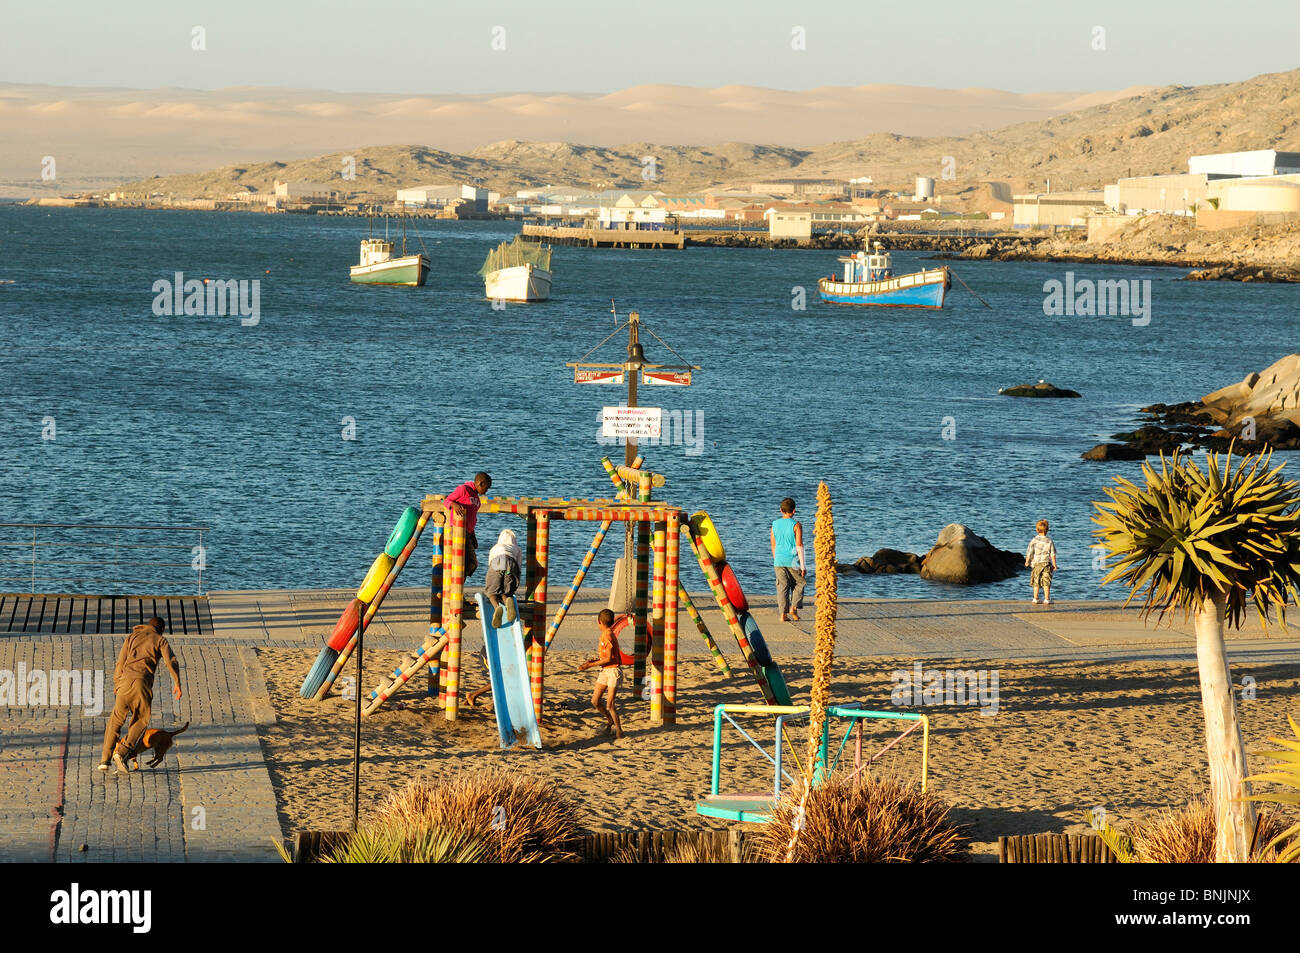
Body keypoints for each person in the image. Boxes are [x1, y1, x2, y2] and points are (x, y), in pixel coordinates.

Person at [99, 616, 182, 774]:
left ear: (147, 626)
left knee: (115, 721)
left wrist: (117, 683)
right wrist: (177, 682)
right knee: (141, 719)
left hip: (124, 683)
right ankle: (121, 752)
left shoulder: (132, 637)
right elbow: (170, 661)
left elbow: (120, 662)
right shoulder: (160, 640)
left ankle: (104, 760)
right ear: (162, 629)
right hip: (141, 684)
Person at [578, 609, 623, 739]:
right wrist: (595, 661)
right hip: (605, 670)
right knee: (595, 701)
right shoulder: (607, 632)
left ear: (599, 622)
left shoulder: (607, 636)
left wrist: (589, 665)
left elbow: (609, 658)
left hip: (613, 671)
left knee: (610, 704)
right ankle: (610, 720)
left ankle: (619, 731)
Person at [444, 471, 492, 580]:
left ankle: (457, 584)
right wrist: (454, 504)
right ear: (480, 483)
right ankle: (454, 586)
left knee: (471, 564)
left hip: (468, 533)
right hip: (457, 530)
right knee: (463, 562)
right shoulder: (463, 489)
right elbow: (447, 500)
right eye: (486, 488)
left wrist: (473, 535)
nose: (486, 491)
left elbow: (472, 519)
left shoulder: (477, 500)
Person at [771, 497, 806, 622]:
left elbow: (773, 545)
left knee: (782, 587)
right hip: (792, 560)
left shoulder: (774, 525)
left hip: (779, 560)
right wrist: (803, 566)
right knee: (800, 583)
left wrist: (776, 559)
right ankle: (794, 607)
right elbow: (799, 546)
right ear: (794, 511)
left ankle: (782, 615)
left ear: (781, 510)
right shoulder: (796, 525)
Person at [484, 527, 522, 627]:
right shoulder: (517, 549)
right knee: (507, 591)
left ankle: (497, 607)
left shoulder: (495, 547)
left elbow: (490, 564)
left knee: (492, 591)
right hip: (511, 563)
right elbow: (519, 566)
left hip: (496, 562)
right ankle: (507, 600)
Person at [1025, 519, 1058, 605]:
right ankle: (1047, 599)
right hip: (1046, 564)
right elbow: (1052, 554)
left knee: (1036, 581)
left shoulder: (1034, 540)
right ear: (1047, 530)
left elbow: (1029, 552)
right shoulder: (1049, 541)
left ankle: (1035, 598)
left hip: (1036, 564)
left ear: (1037, 530)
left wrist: (1027, 561)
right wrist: (1054, 564)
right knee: (1046, 581)